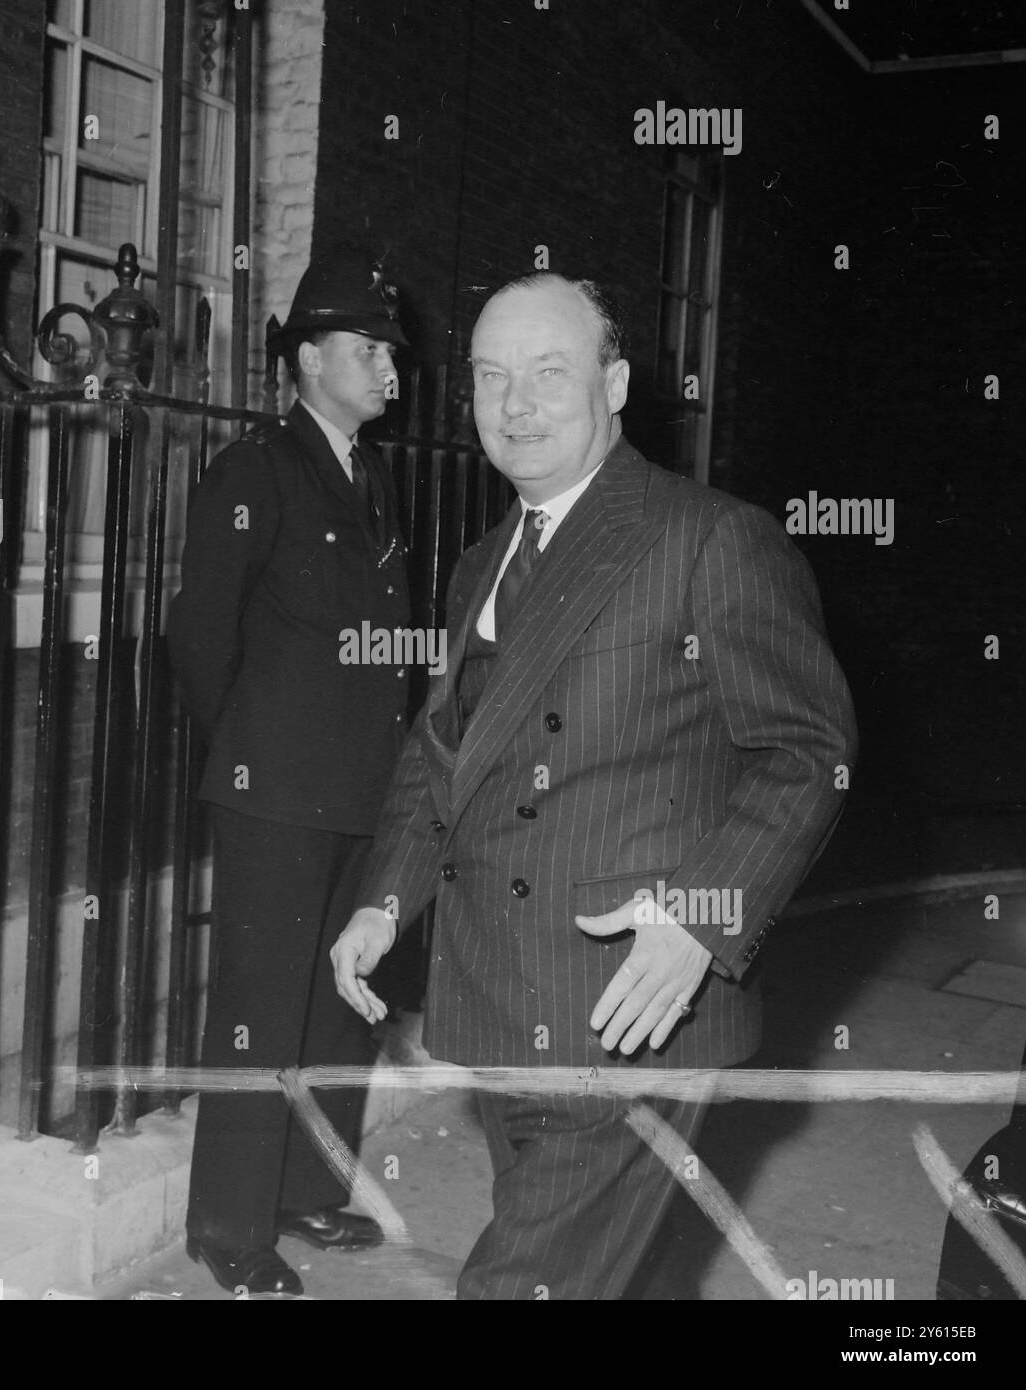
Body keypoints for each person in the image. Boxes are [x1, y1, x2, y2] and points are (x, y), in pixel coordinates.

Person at [333, 270, 858, 1299]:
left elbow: (809, 752)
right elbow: (442, 754)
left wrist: (704, 920)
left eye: (547, 373)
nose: (515, 404)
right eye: (491, 378)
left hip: (628, 1014)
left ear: (614, 385)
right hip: (498, 997)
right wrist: (385, 900)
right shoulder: (481, 563)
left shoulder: (707, 538)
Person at [168, 247, 412, 1297]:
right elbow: (198, 635)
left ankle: (306, 1188)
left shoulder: (372, 471)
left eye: (393, 349)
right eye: (370, 347)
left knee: (338, 1003)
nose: (392, 366)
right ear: (310, 359)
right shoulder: (255, 469)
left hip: (361, 786)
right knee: (258, 1012)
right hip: (274, 791)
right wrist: (249, 754)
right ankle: (227, 1226)